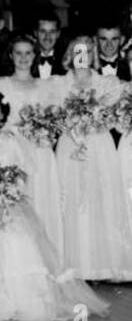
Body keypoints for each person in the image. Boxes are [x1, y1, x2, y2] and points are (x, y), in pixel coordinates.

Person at [0, 90, 109, 321]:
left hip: (9, 204)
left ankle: (21, 301)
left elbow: (21, 176)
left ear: (2, 114)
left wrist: (8, 192)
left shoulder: (13, 142)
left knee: (19, 244)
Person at [51, 36, 132, 281]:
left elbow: (117, 114)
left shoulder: (107, 83)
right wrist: (71, 124)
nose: (82, 56)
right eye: (77, 51)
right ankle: (75, 265)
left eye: (87, 51)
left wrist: (96, 118)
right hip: (70, 145)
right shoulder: (58, 83)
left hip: (99, 145)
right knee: (72, 200)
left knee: (100, 198)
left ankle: (102, 265)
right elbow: (52, 115)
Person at [0, 35, 63, 236]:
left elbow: (56, 120)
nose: (23, 58)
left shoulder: (47, 86)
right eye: (18, 53)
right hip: (13, 153)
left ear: (35, 56)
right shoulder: (0, 85)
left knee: (42, 201)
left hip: (40, 152)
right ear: (11, 56)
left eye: (28, 53)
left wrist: (44, 131)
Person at [33, 14, 66, 80]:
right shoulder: (26, 60)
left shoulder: (66, 61)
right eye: (43, 31)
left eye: (52, 32)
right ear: (35, 33)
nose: (47, 36)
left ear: (58, 34)